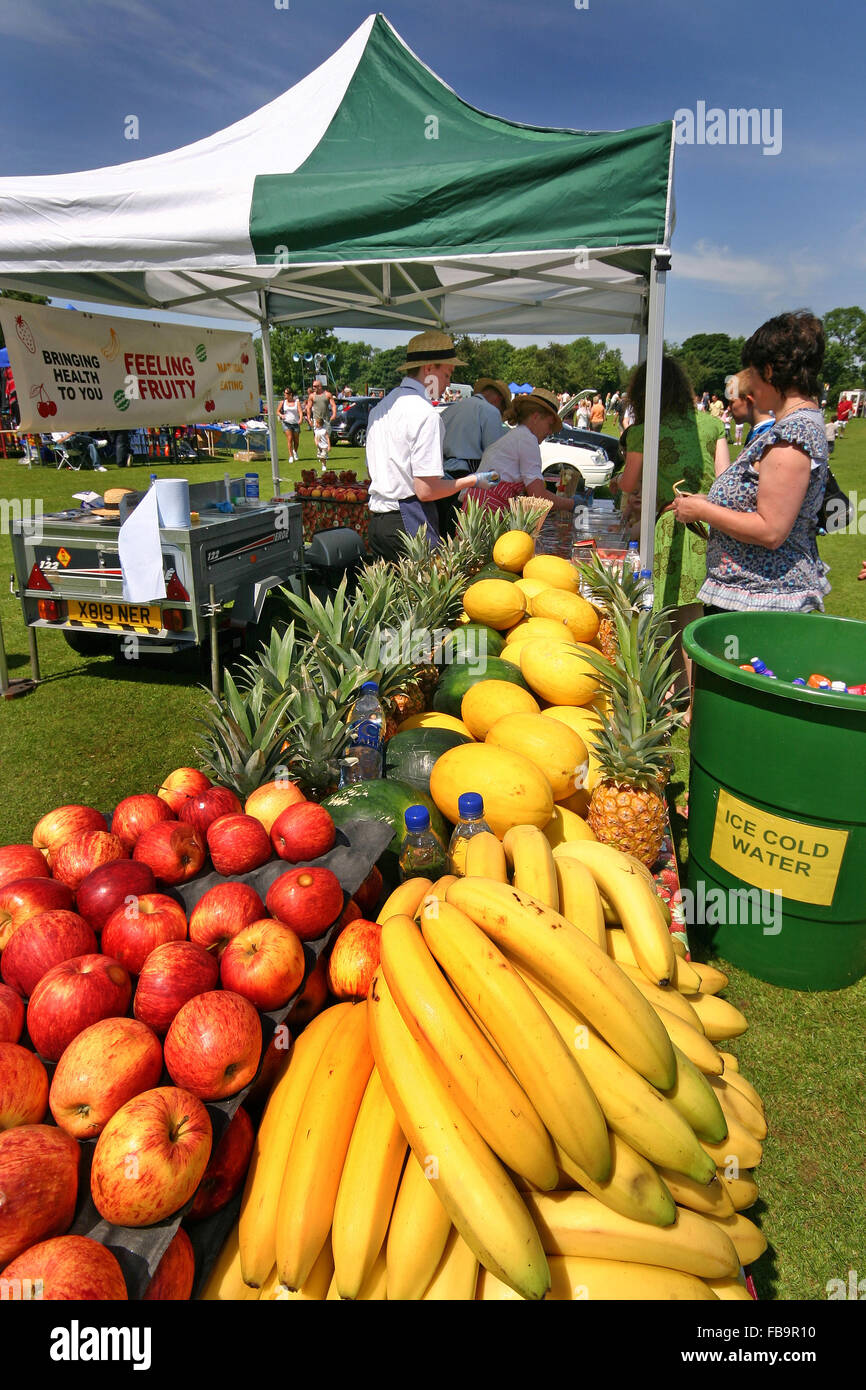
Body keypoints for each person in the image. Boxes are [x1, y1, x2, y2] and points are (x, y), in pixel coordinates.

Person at [672, 310, 830, 614]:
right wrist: (712, 502)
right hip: (750, 598)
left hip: (761, 603)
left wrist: (704, 510)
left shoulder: (791, 436)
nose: (749, 385)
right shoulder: (792, 427)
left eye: (752, 372)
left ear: (769, 372)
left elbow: (770, 530)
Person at [614, 355, 729, 705]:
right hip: (710, 525)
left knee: (666, 615)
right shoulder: (711, 426)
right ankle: (686, 694)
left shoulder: (641, 432)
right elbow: (724, 482)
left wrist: (618, 480)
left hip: (670, 527)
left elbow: (629, 482)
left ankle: (686, 699)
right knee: (694, 617)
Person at [364, 331, 496, 562]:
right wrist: (472, 480)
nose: (447, 383)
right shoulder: (425, 414)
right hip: (408, 522)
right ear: (428, 369)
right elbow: (426, 491)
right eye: (446, 374)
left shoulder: (381, 408)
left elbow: (374, 471)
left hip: (378, 523)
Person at [463, 387, 579, 516]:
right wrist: (572, 504)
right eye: (549, 425)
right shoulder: (527, 439)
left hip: (479, 506)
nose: (550, 432)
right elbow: (538, 496)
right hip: (488, 509)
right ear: (536, 417)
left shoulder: (516, 436)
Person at [438, 377, 510, 537]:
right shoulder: (490, 411)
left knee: (441, 532)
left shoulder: (451, 409)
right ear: (498, 399)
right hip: (467, 476)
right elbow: (494, 452)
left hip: (441, 475)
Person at [277, 386, 301, 464]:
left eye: (286, 393)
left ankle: (295, 452)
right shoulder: (283, 402)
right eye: (284, 393)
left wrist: (300, 419)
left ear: (291, 394)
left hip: (295, 423)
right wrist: (281, 415)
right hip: (286, 423)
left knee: (296, 440)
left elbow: (300, 411)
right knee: (290, 438)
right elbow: (277, 411)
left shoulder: (296, 402)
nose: (285, 394)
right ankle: (290, 456)